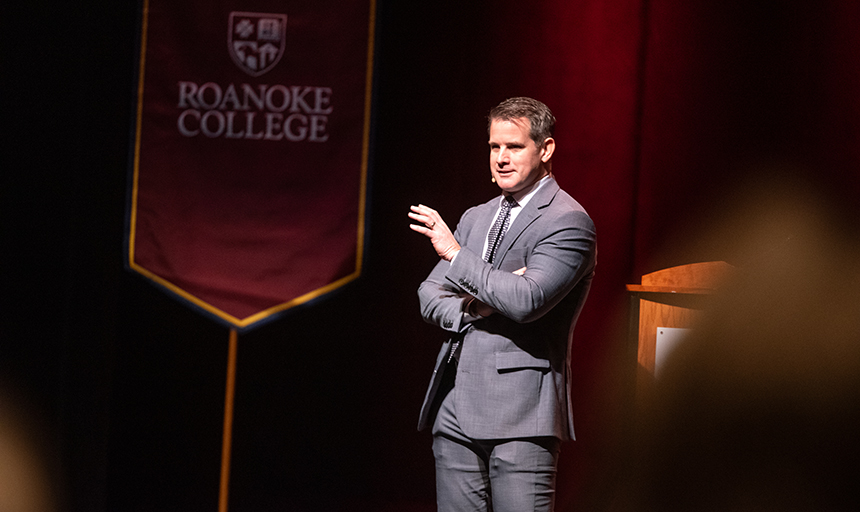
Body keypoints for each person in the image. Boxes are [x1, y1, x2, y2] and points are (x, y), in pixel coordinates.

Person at [408, 97, 597, 512]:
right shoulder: (477, 216)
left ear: (545, 149)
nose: (501, 158)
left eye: (514, 147)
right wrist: (478, 307)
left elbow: (527, 300)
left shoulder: (567, 220)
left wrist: (458, 257)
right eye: (494, 147)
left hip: (521, 413)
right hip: (454, 403)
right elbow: (429, 295)